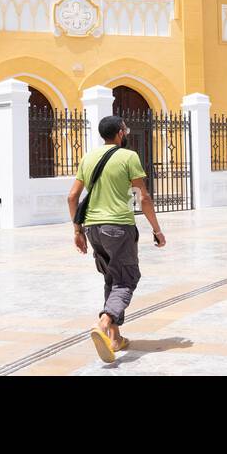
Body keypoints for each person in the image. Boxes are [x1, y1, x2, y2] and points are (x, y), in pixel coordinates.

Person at [67, 115, 167, 363]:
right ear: (121, 133)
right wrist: (157, 230)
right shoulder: (128, 156)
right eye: (126, 129)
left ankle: (115, 338)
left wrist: (77, 231)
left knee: (112, 278)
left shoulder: (88, 157)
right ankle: (103, 323)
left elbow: (72, 197)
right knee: (127, 278)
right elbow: (142, 197)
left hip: (93, 228)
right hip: (119, 227)